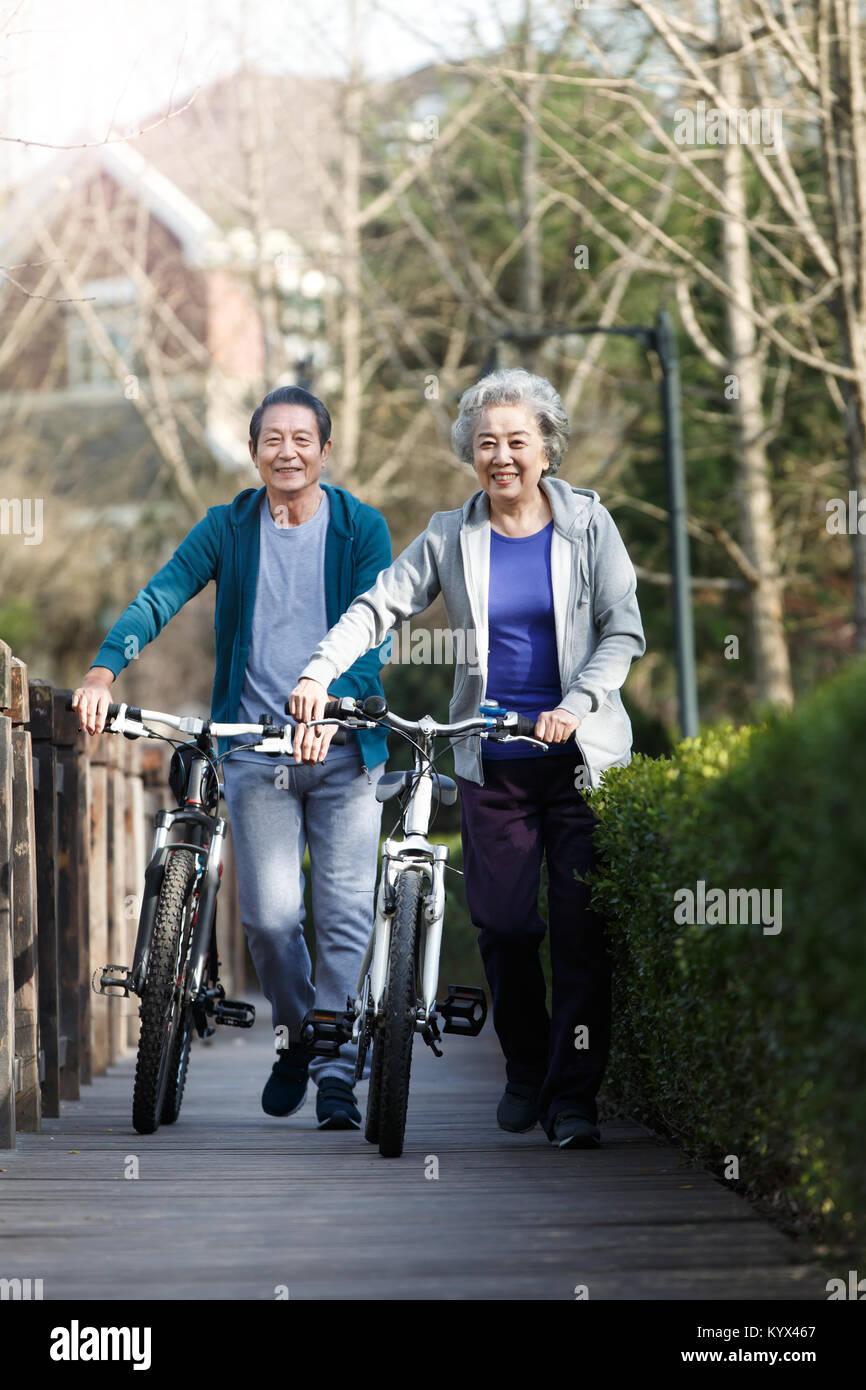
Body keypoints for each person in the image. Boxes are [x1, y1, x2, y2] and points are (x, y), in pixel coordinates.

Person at [289, 368, 645, 1149]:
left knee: (582, 935)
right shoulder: (452, 534)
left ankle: (573, 1101)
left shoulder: (589, 526)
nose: (503, 456)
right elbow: (380, 604)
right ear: (470, 455)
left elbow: (624, 631)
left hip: (578, 757)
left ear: (547, 448)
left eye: (519, 440)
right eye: (487, 443)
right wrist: (319, 669)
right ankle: (525, 1066)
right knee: (506, 924)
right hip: (492, 761)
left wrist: (573, 707)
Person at [71, 386, 392, 1130]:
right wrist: (103, 669)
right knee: (274, 921)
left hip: (345, 750)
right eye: (272, 440)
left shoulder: (360, 528)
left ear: (325, 451)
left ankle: (337, 1072)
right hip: (256, 752)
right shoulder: (228, 526)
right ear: (253, 453)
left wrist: (335, 705)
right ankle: (298, 1031)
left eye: (302, 439)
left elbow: (374, 630)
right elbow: (162, 593)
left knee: (343, 915)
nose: (288, 451)